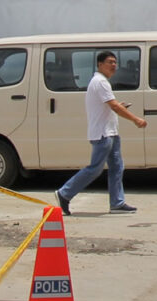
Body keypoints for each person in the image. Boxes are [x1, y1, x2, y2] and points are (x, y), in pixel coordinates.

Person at [56, 50, 147, 216]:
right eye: (110, 62)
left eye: (115, 62)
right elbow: (113, 106)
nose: (114, 65)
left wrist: (119, 107)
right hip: (103, 134)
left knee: (117, 167)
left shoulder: (102, 82)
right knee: (95, 169)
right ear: (100, 64)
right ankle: (64, 193)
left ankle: (117, 204)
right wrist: (135, 119)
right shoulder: (100, 82)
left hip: (111, 132)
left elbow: (111, 106)